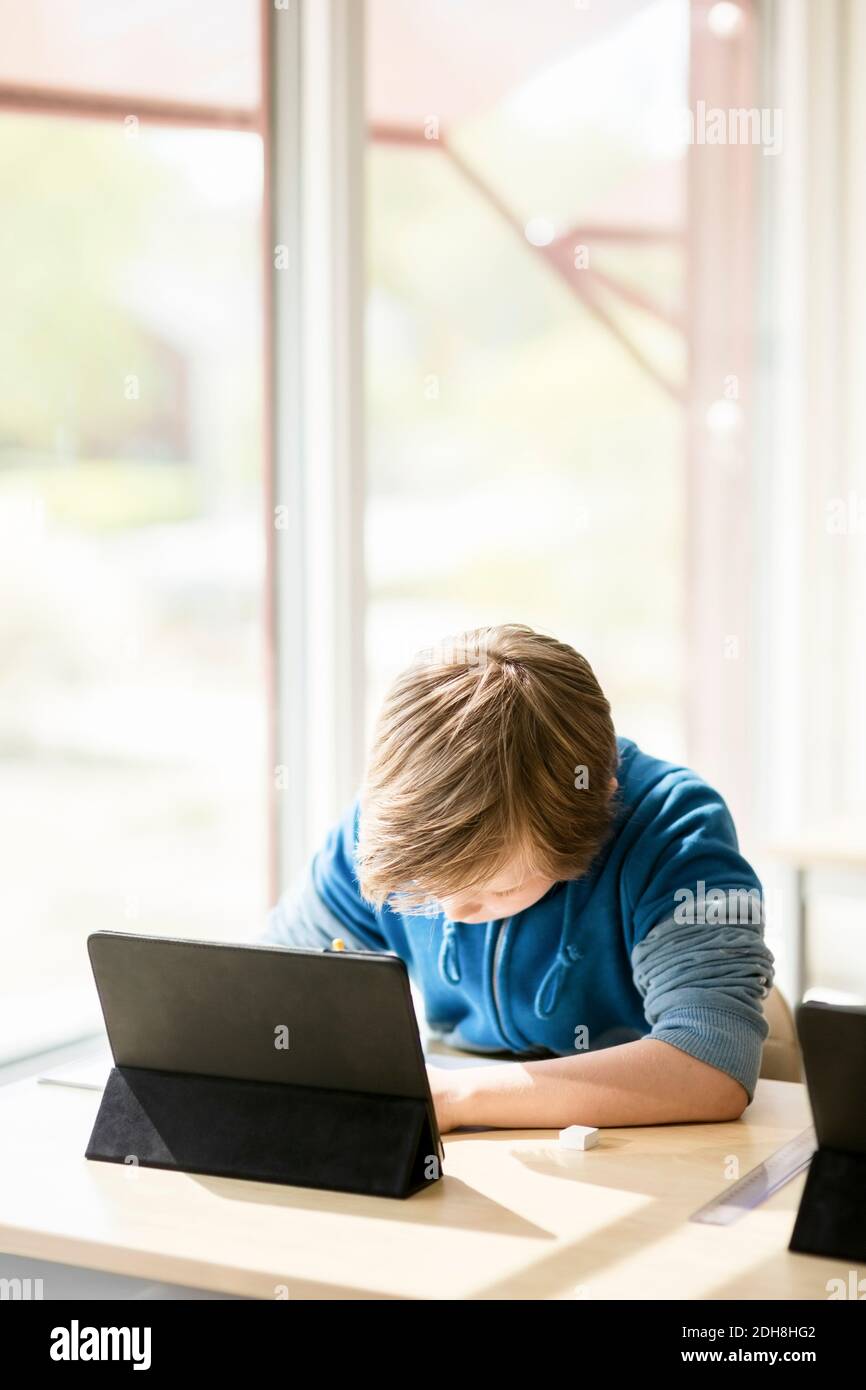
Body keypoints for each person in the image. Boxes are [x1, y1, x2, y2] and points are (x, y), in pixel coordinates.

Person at [260, 624, 774, 1133]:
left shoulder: (676, 830)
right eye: (431, 887)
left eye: (497, 888)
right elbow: (266, 988)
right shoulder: (394, 824)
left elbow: (711, 1063)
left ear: (596, 806)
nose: (454, 913)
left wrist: (459, 1097)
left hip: (632, 1135)